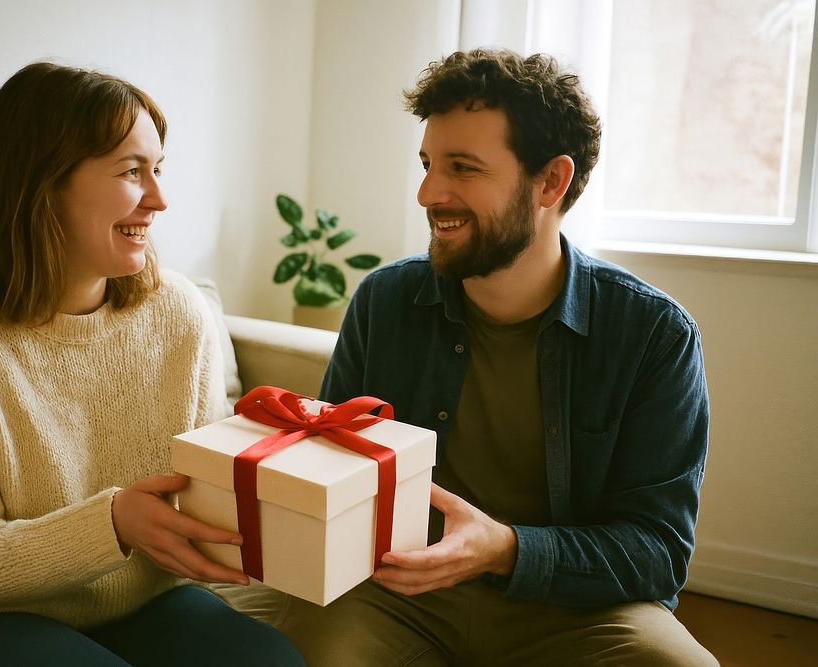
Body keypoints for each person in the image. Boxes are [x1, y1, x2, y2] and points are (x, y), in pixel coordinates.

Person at [218, 48, 716, 665]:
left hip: (570, 608)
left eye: (464, 168)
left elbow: (657, 549)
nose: (429, 192)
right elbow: (329, 461)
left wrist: (505, 549)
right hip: (396, 590)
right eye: (427, 164)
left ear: (551, 182)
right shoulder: (385, 299)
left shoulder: (653, 334)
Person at [0, 62, 303, 666]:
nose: (160, 200)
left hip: (146, 603)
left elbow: (197, 495)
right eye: (132, 171)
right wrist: (112, 523)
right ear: (40, 182)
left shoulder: (180, 313)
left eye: (157, 169)